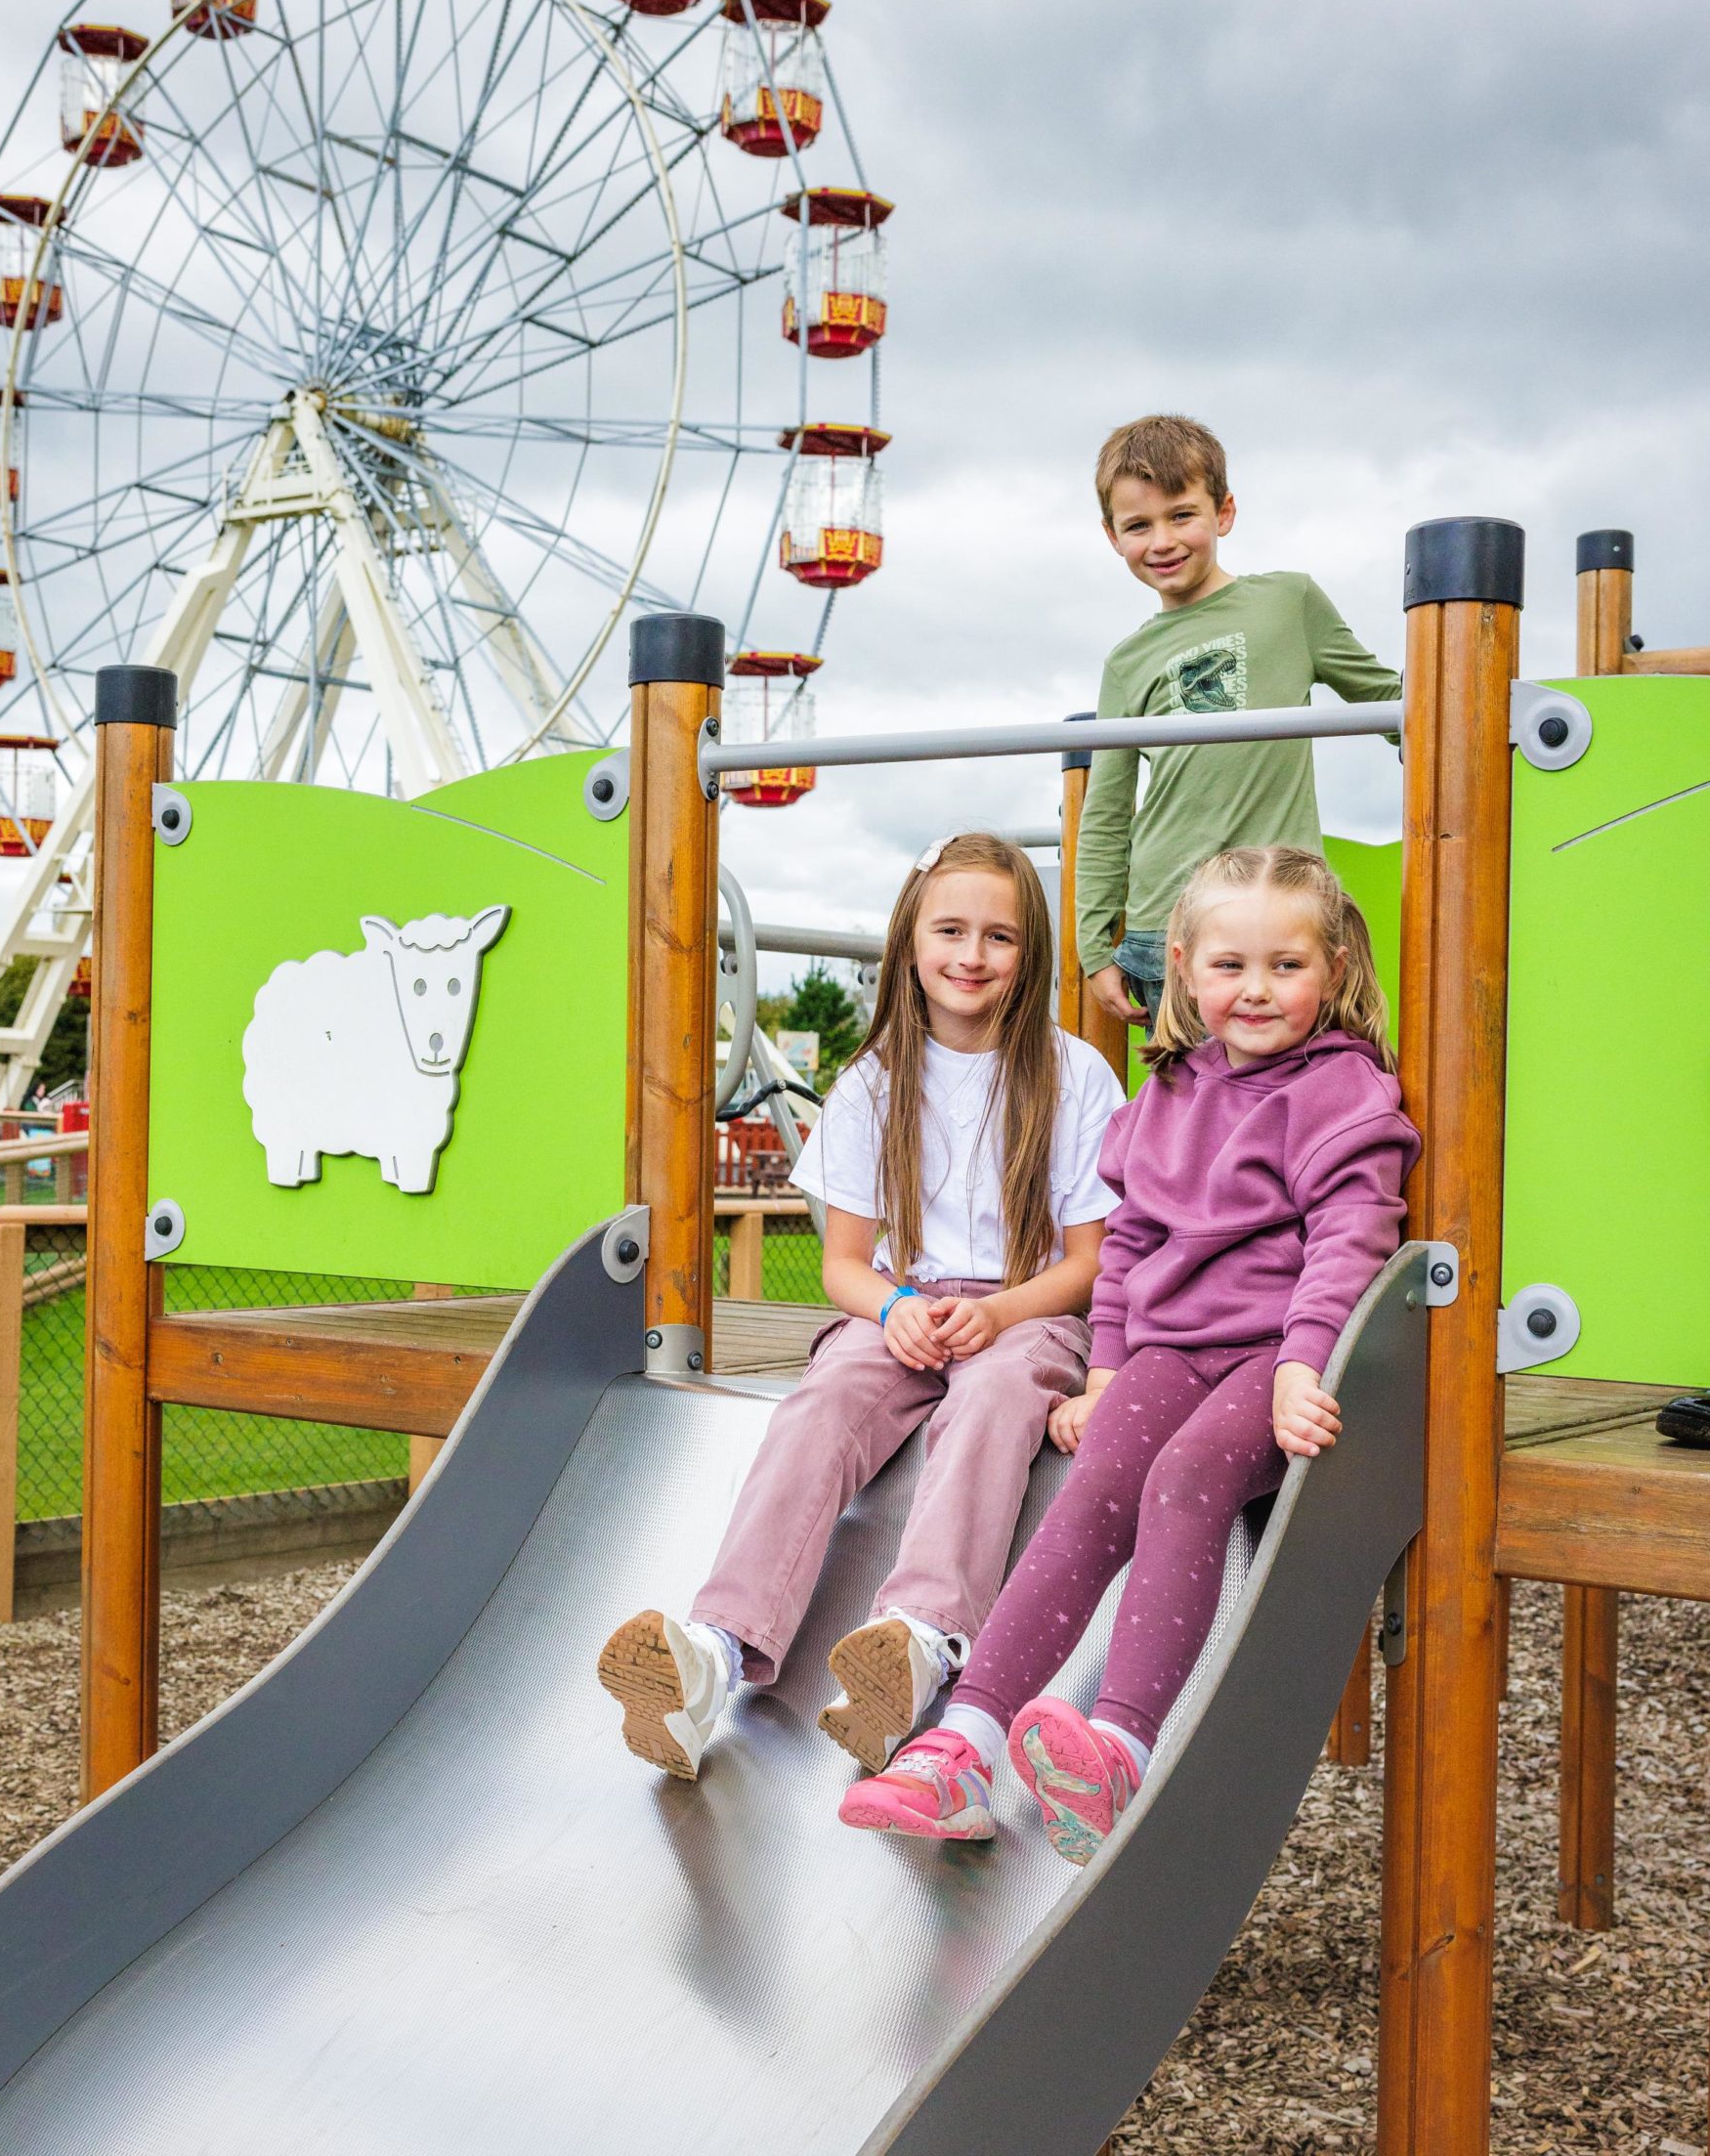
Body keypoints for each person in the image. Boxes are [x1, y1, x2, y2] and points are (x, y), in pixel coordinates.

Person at [841, 845, 1419, 1857]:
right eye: (1230, 965)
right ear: (1187, 969)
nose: (1256, 989)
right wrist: (1105, 1371)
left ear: (1334, 968)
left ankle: (1119, 1746)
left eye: (1287, 965)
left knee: (1187, 1480)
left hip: (1275, 1351)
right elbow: (1129, 1249)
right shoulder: (1172, 1091)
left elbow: (1349, 1243)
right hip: (1171, 1351)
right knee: (1098, 1482)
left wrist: (1302, 1366)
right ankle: (964, 1744)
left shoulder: (1341, 1094)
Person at [597, 833, 1124, 1785]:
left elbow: (1090, 1261)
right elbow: (843, 1264)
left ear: (1030, 951)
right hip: (904, 1306)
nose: (971, 954)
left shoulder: (1072, 1073)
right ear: (911, 943)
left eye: (998, 936)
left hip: (1027, 1309)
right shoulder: (877, 1077)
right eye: (951, 930)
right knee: (828, 1397)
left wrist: (1001, 1316)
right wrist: (893, 1310)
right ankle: (713, 1652)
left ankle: (917, 1641)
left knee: (995, 1401)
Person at [1075, 413, 1401, 1027]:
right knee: (1202, 1106)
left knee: (1305, 1090)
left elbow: (1385, 697)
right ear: (1112, 536)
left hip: (1285, 914)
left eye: (1182, 515)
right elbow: (1107, 811)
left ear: (1223, 512)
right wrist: (1094, 947)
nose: (1162, 541)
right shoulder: (1127, 662)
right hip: (1169, 923)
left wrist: (1478, 723)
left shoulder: (1288, 602)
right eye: (1138, 525)